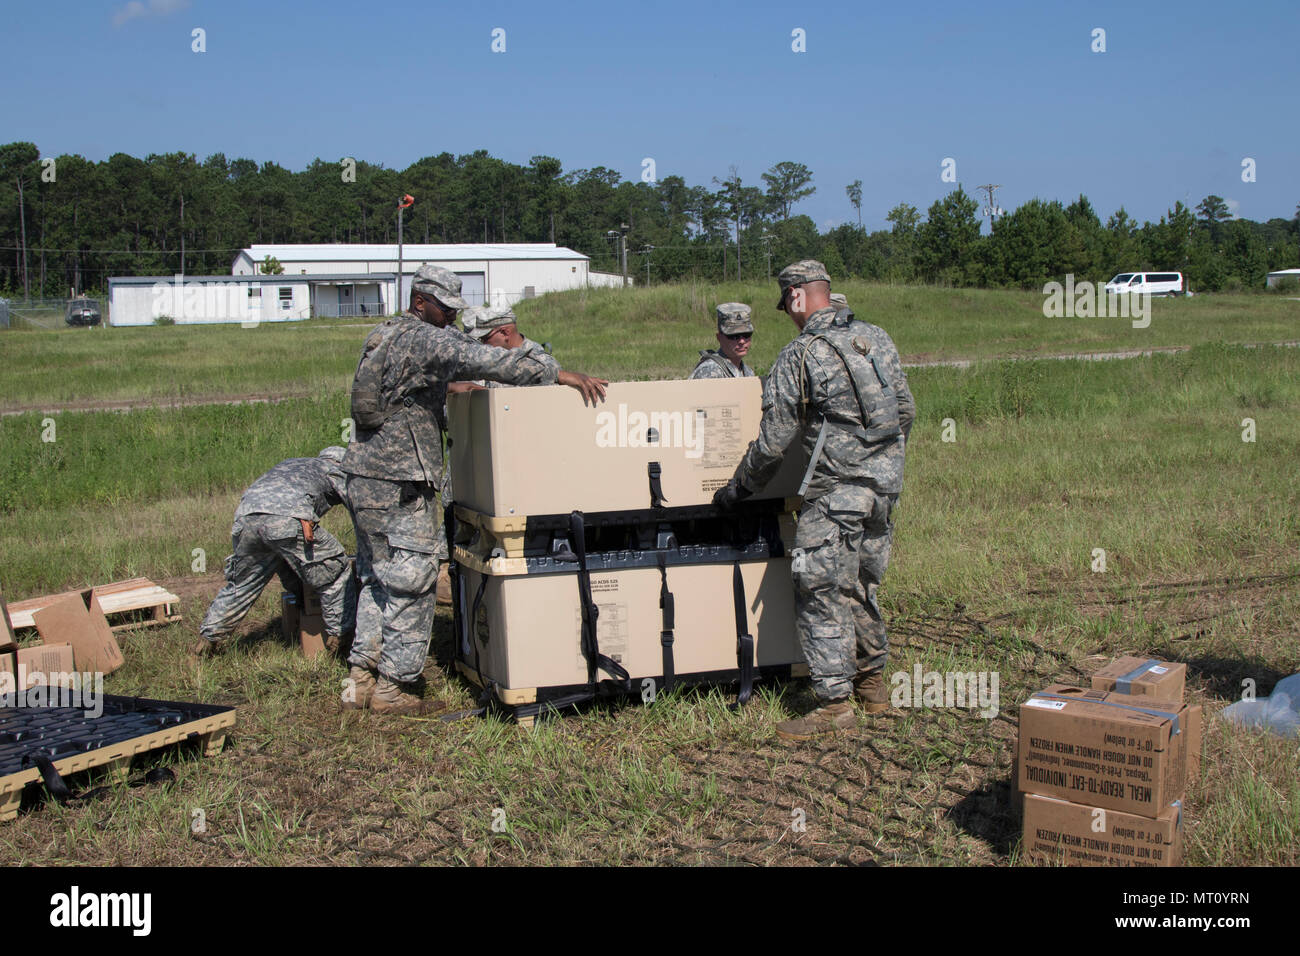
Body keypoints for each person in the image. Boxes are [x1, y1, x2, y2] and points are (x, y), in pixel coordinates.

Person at [342, 264, 606, 714]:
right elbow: (489, 360)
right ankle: (394, 687)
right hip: (400, 480)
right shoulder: (423, 336)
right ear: (419, 302)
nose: (450, 317)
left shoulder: (384, 334)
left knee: (376, 576)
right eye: (444, 309)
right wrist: (555, 373)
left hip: (365, 474)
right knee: (414, 577)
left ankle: (360, 677)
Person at [712, 260, 914, 740]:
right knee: (863, 585)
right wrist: (878, 464)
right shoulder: (876, 337)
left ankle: (833, 704)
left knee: (820, 590)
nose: (789, 315)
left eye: (787, 306)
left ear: (798, 296)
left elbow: (773, 443)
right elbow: (905, 411)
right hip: (883, 491)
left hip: (835, 494)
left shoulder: (800, 355)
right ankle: (873, 686)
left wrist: (736, 491)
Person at [194, 447, 356, 657]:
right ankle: (339, 641)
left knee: (242, 584)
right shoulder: (334, 469)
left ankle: (207, 641)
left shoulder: (292, 463)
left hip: (246, 519)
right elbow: (359, 507)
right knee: (335, 571)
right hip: (286, 519)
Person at [688, 302, 757, 379]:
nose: (742, 341)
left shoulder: (748, 372)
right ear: (719, 338)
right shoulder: (710, 372)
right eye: (734, 336)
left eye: (746, 335)